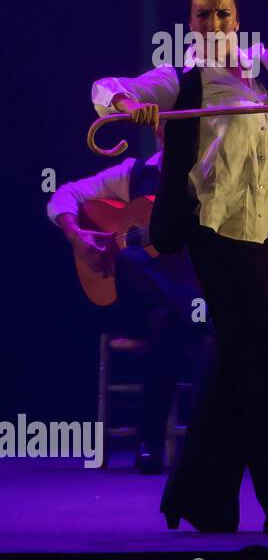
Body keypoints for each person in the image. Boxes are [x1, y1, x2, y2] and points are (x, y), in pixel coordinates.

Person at [92, 0, 268, 533]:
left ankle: (199, 496)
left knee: (237, 362)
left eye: (223, 14)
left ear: (237, 19)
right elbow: (111, 86)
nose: (213, 24)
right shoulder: (182, 78)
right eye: (202, 15)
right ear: (190, 23)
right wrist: (125, 105)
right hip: (214, 229)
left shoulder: (264, 63)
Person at [47, 129, 211, 473]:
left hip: (173, 304)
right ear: (159, 131)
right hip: (136, 301)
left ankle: (149, 442)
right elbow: (65, 194)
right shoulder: (134, 173)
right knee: (131, 260)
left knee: (164, 320)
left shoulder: (211, 178)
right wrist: (77, 236)